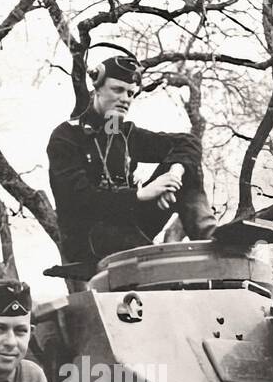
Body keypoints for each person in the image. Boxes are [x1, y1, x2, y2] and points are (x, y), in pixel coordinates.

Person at [47, 54, 216, 267]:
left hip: (128, 225)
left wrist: (174, 176)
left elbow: (187, 142)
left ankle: (213, 241)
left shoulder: (124, 134)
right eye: (117, 90)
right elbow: (80, 202)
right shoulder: (66, 136)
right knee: (158, 264)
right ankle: (160, 265)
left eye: (130, 93)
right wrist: (140, 194)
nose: (126, 98)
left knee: (185, 167)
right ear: (97, 89)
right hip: (89, 237)